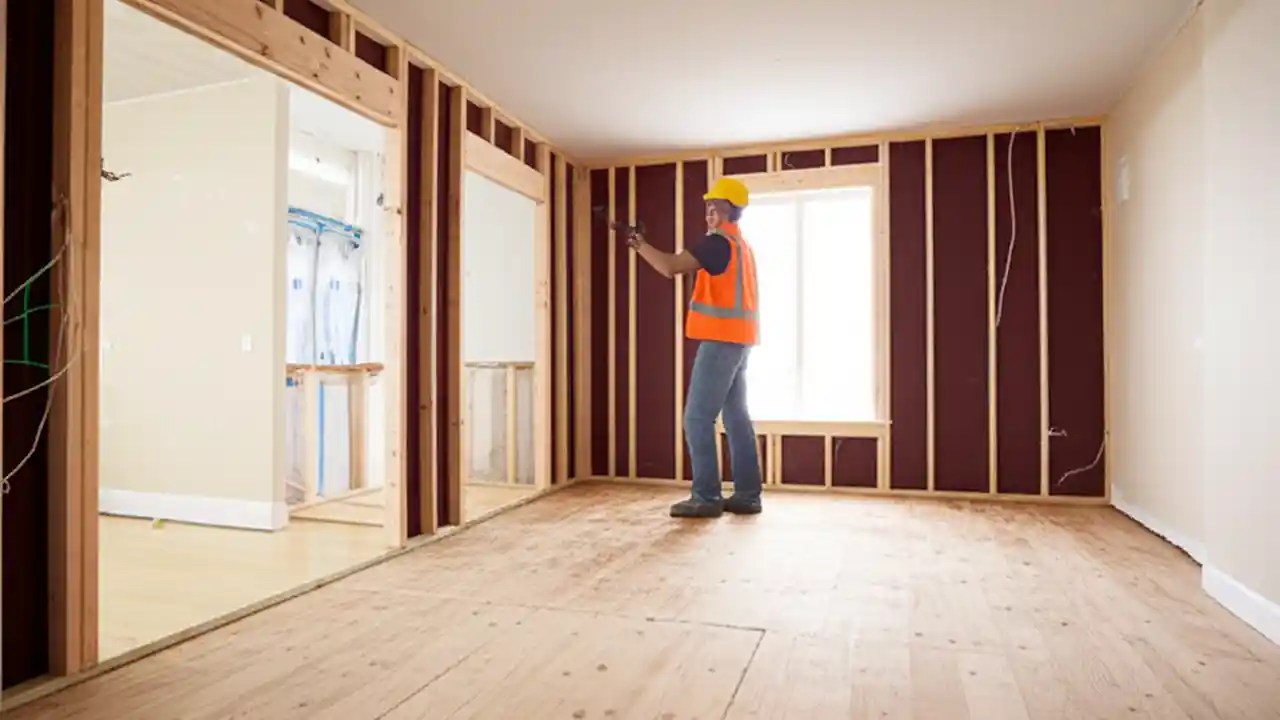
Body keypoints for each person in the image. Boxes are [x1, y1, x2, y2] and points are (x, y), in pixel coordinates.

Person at [623, 176, 761, 517]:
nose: (710, 212)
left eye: (717, 206)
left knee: (697, 417)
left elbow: (670, 267)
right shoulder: (742, 247)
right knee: (736, 417)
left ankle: (706, 497)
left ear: (732, 210)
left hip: (720, 341)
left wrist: (638, 244)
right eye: (708, 206)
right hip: (740, 340)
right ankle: (747, 495)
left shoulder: (718, 244)